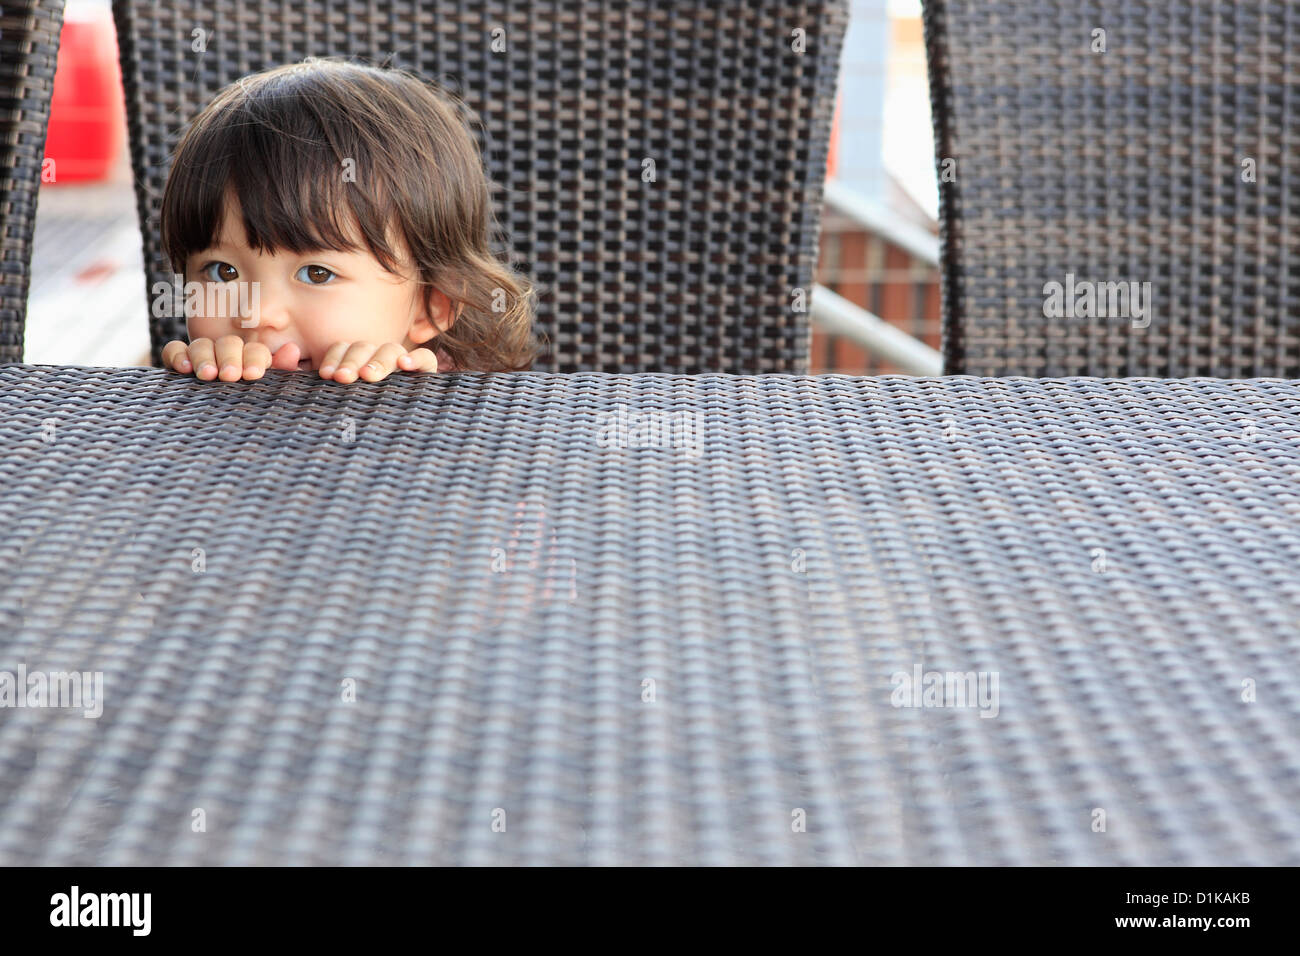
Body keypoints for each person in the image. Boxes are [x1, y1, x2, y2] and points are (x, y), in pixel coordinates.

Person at [157, 57, 539, 380]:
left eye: (317, 273)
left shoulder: (460, 419)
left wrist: (405, 398)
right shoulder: (209, 384)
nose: (255, 315)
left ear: (432, 305)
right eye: (223, 272)